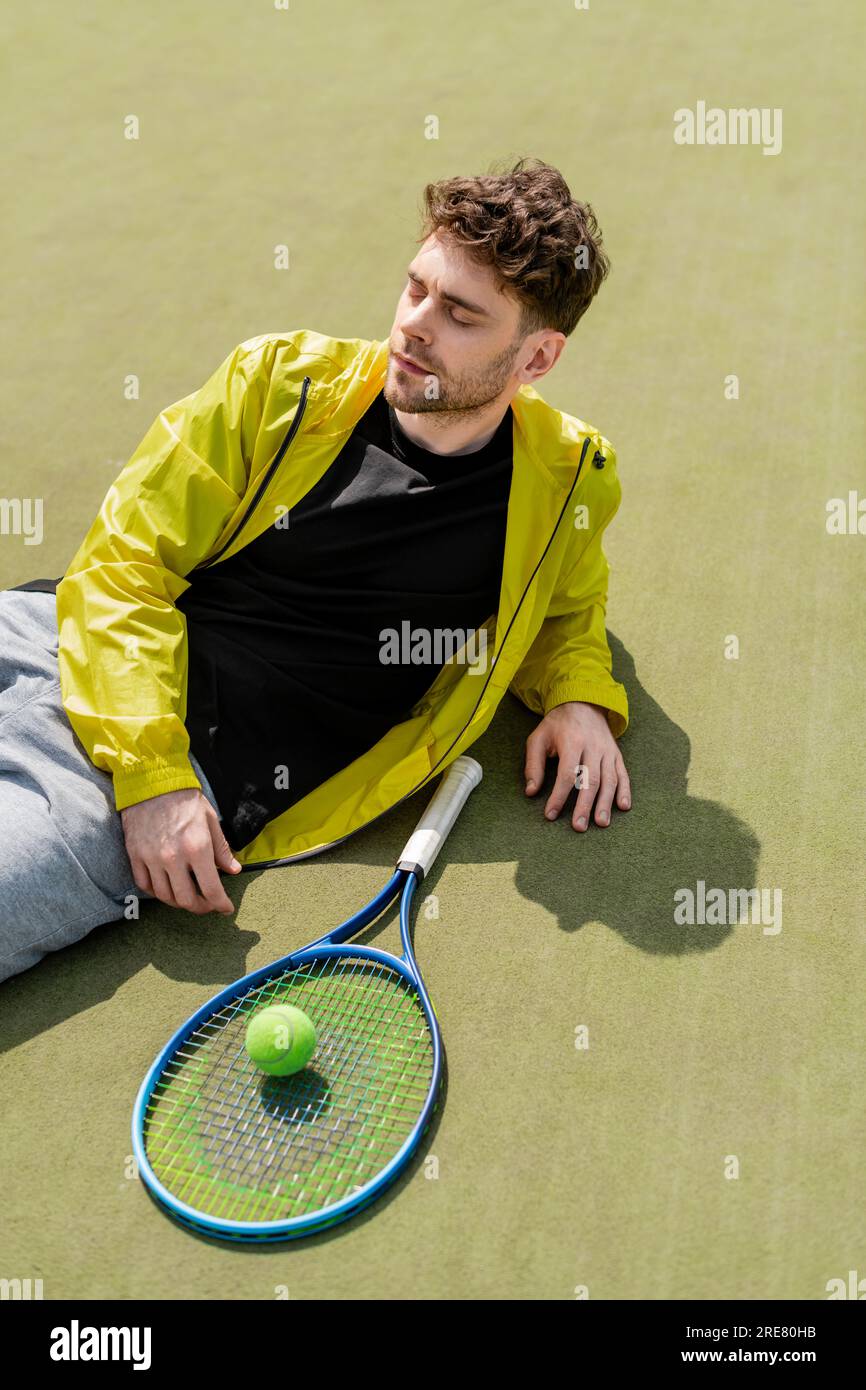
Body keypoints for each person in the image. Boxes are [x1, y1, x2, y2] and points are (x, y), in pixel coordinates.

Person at [0, 156, 631, 984]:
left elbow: (561, 607)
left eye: (461, 315)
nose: (415, 324)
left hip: (169, 771)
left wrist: (578, 696)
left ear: (536, 358)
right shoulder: (276, 384)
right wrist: (149, 770)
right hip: (63, 641)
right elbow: (123, 564)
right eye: (417, 290)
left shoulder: (567, 477)